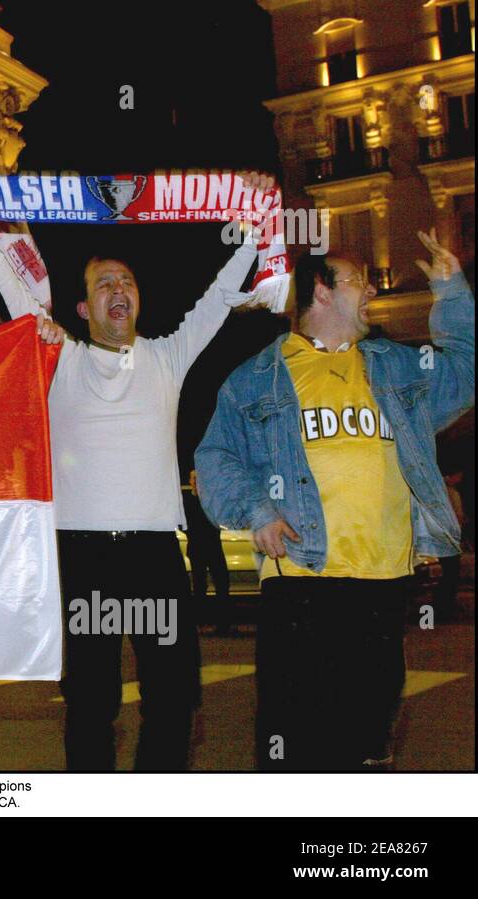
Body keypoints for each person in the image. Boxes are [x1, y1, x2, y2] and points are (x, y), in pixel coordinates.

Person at [195, 234, 473, 770]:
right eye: (358, 280)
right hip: (302, 581)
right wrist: (257, 510)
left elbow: (466, 371)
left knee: (366, 747)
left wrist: (452, 291)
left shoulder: (396, 367)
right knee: (294, 747)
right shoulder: (258, 377)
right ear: (321, 291)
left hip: (384, 584)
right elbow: (215, 457)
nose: (371, 290)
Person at [34, 232, 262, 771]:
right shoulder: (61, 359)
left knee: (174, 694)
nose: (119, 289)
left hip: (154, 556)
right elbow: (19, 291)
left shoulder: (167, 357)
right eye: (104, 284)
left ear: (139, 300)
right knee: (91, 701)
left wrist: (253, 234)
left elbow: (217, 299)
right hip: (84, 555)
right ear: (83, 308)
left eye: (127, 282)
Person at [183, 469, 232, 635]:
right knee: (199, 586)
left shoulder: (212, 501)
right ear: (191, 482)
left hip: (213, 547)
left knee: (222, 583)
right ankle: (201, 622)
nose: (197, 483)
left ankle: (223, 624)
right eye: (194, 479)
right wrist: (192, 533)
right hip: (197, 548)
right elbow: (182, 524)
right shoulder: (188, 502)